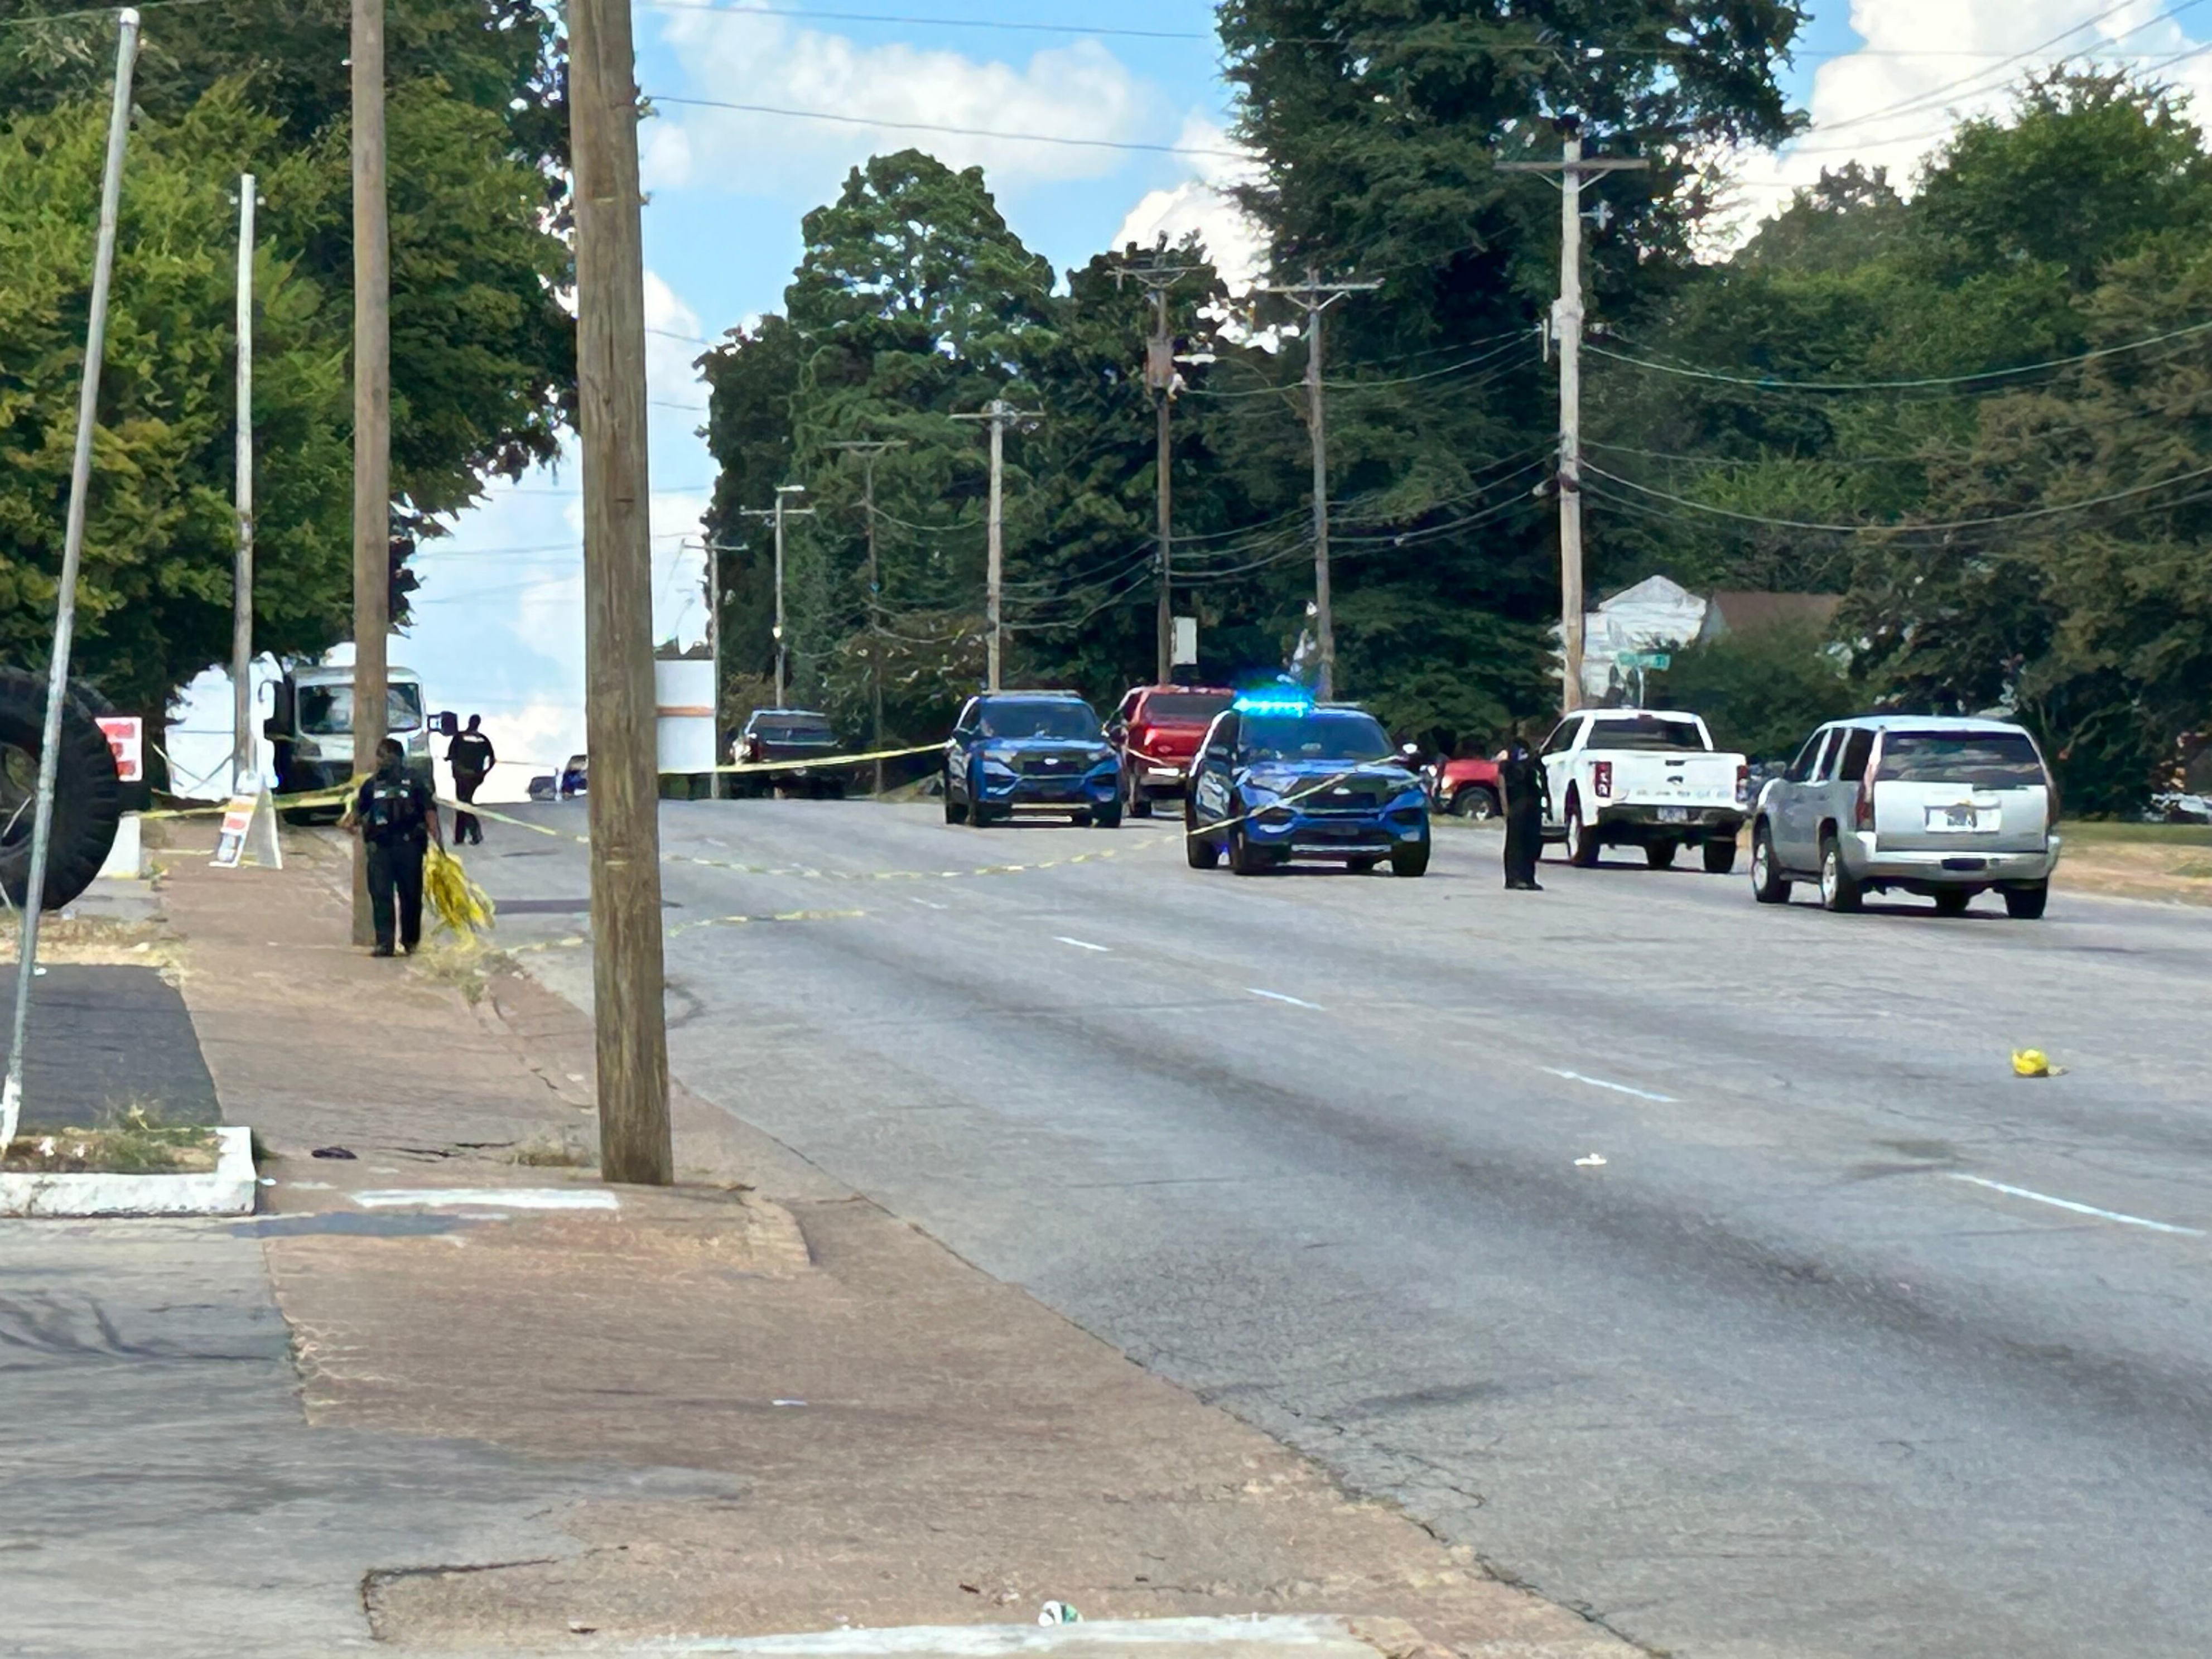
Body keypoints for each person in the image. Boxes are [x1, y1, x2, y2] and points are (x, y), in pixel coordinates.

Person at [344, 737, 443, 957]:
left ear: (398, 758)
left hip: (409, 846)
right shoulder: (371, 784)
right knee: (381, 895)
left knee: (410, 896)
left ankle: (410, 942)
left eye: (387, 756)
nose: (383, 761)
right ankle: (385, 943)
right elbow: (359, 811)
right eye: (381, 756)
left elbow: (429, 810)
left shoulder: (415, 781)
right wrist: (350, 823)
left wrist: (437, 839)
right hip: (381, 848)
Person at [1497, 727, 1549, 891]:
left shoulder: (1534, 757)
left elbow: (1542, 780)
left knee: (1532, 842)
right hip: (1518, 802)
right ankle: (1514, 879)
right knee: (1516, 842)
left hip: (1533, 803)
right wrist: (1505, 808)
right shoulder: (1511, 753)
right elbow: (1504, 782)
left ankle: (1529, 878)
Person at [446, 714, 495, 845]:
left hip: (461, 776)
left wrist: (457, 767)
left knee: (463, 805)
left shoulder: (459, 737)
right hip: (475, 777)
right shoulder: (483, 740)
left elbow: (452, 756)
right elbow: (492, 760)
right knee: (464, 804)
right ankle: (460, 837)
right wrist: (483, 773)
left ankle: (472, 834)